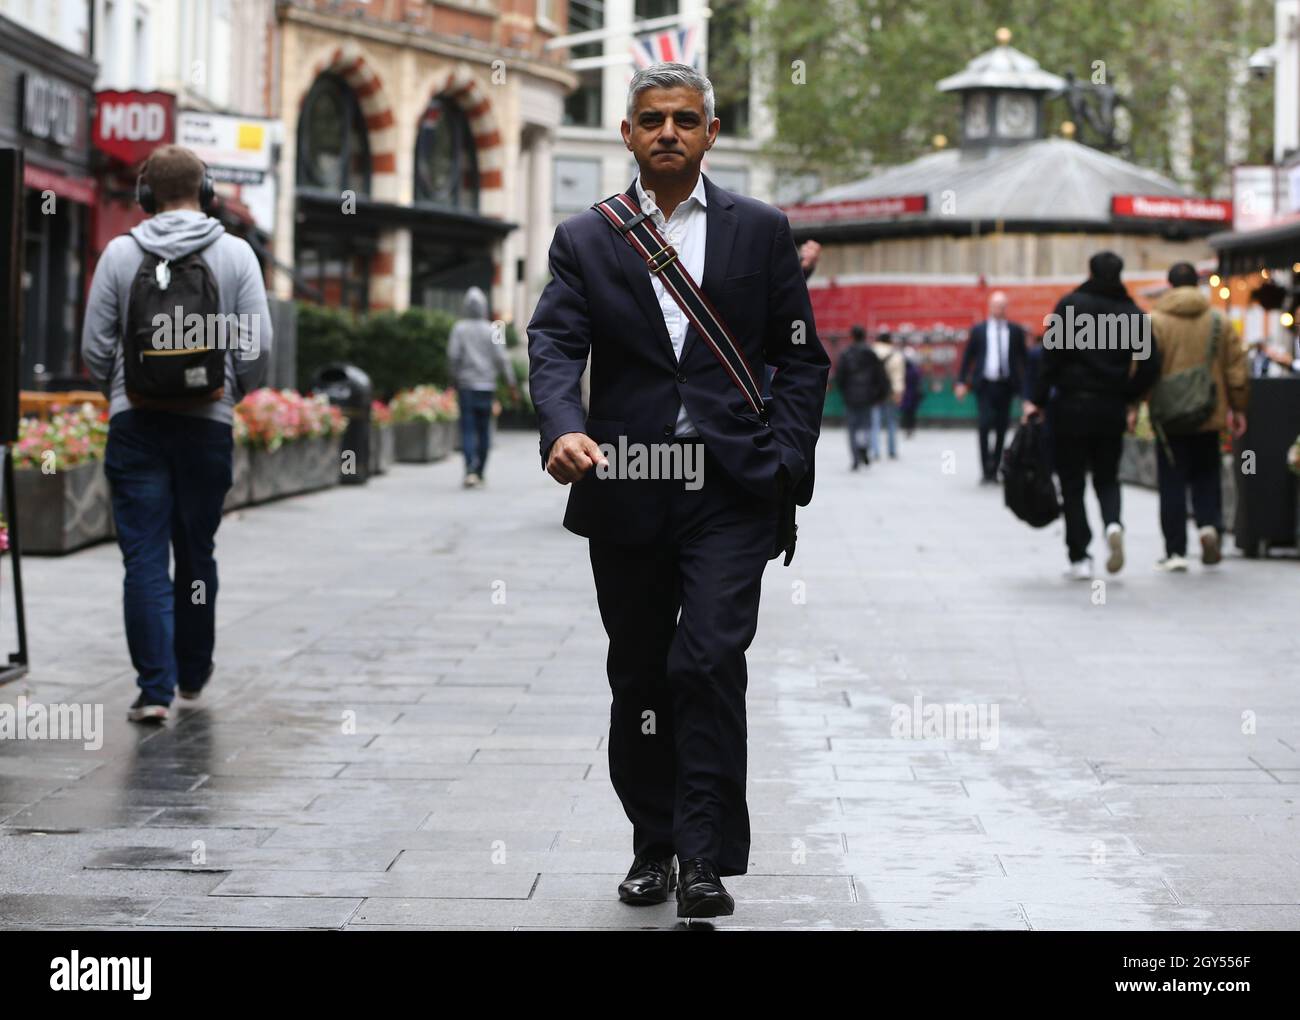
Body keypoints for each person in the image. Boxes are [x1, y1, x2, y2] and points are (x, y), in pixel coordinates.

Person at [527, 62, 829, 919]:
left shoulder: (760, 231)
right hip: (625, 484)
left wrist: (787, 461)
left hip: (730, 488)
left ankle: (705, 857)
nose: (668, 131)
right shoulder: (587, 237)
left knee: (707, 659)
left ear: (711, 132)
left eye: (685, 119)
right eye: (652, 119)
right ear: (626, 133)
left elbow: (803, 357)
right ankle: (653, 846)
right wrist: (561, 429)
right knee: (641, 674)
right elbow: (554, 344)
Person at [81, 144, 272, 723]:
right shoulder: (236, 254)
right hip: (206, 426)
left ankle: (154, 691)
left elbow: (94, 346)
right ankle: (193, 672)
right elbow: (257, 347)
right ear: (206, 191)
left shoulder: (118, 253)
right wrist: (227, 392)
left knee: (142, 557)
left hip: (134, 423)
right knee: (196, 551)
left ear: (145, 195)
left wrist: (121, 388)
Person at [1023, 251, 1160, 580]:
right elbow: (1152, 364)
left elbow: (1050, 358)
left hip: (1070, 407)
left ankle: (1080, 556)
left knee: (1072, 482)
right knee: (1107, 477)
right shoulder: (1132, 314)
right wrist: (1128, 395)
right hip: (1111, 408)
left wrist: (1037, 400)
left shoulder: (1070, 306)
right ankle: (1113, 523)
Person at [1146, 261, 1249, 571]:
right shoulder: (1220, 321)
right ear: (1198, 284)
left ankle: (1176, 551)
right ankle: (1209, 527)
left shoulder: (1153, 322)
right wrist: (1239, 407)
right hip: (1209, 411)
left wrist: (1134, 404)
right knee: (1207, 475)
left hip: (1169, 416)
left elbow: (1142, 368)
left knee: (1172, 481)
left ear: (1169, 284)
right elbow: (1236, 370)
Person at [448, 285, 518, 487]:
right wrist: (511, 384)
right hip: (487, 387)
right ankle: (480, 471)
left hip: (466, 386)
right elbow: (502, 359)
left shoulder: (458, 329)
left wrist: (454, 377)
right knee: (484, 430)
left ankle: (470, 469)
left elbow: (452, 356)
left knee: (468, 429)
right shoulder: (495, 328)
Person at [956, 291, 1027, 483]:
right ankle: (985, 468)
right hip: (984, 385)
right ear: (990, 307)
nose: (999, 309)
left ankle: (995, 467)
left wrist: (1026, 392)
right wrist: (961, 382)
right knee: (984, 424)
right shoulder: (979, 330)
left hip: (1006, 385)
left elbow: (1024, 360)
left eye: (1002, 306)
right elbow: (967, 358)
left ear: (1006, 308)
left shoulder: (1015, 331)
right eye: (996, 305)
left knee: (1002, 427)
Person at [835, 325, 889, 469]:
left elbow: (840, 377)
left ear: (852, 336)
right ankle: (863, 448)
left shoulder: (846, 354)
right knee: (865, 426)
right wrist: (880, 394)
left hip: (851, 397)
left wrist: (844, 391)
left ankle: (855, 457)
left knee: (852, 427)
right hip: (868, 396)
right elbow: (880, 376)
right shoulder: (871, 354)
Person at [870, 329, 905, 460]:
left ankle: (875, 451)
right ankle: (891, 450)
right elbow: (898, 376)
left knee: (875, 422)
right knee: (891, 421)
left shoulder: (870, 352)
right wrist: (898, 392)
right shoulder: (896, 355)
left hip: (874, 392)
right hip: (890, 391)